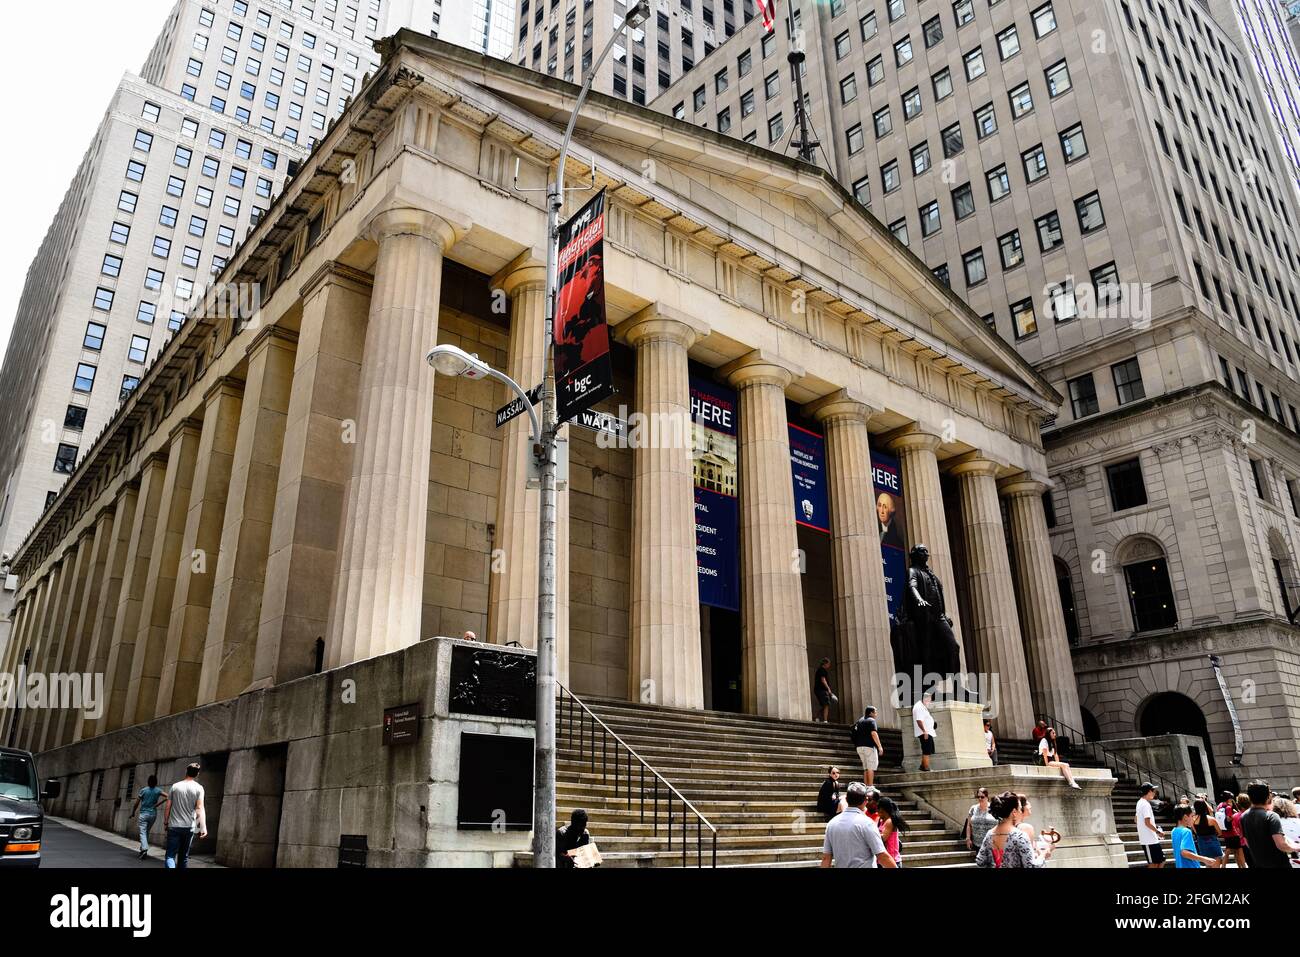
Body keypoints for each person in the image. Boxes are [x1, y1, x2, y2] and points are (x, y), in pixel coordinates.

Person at [820, 781, 896, 868]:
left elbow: (826, 858)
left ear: (846, 799)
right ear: (865, 801)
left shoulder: (832, 824)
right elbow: (882, 856)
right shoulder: (867, 823)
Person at [976, 790, 1051, 868]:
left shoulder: (989, 834)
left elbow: (980, 862)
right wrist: (1043, 855)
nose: (1020, 811)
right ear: (1014, 812)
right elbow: (1031, 866)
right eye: (1019, 808)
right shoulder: (1019, 836)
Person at [1238, 782, 1300, 869]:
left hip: (1258, 863)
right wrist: (1296, 848)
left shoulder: (1243, 816)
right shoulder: (1271, 815)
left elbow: (1247, 843)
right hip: (1278, 864)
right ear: (1268, 797)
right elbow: (1281, 845)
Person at [160, 763, 207, 870]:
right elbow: (199, 808)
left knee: (170, 855)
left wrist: (166, 822)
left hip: (174, 826)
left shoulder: (175, 786)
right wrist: (202, 827)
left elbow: (168, 806)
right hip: (189, 827)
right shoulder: (199, 788)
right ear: (197, 774)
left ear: (186, 771)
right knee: (183, 856)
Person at [130, 774, 166, 860]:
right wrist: (157, 805)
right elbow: (168, 796)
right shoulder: (158, 790)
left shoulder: (143, 790)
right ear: (156, 782)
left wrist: (133, 812)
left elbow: (137, 803)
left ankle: (145, 849)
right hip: (153, 814)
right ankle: (142, 850)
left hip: (143, 814)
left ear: (148, 781)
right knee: (146, 832)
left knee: (142, 832)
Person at [851, 706, 884, 785]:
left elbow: (853, 734)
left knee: (865, 768)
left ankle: (866, 787)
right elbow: (873, 733)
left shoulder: (859, 721)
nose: (876, 714)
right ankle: (870, 787)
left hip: (859, 747)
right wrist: (879, 746)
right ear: (871, 713)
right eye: (875, 712)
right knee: (871, 768)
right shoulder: (872, 721)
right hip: (869, 747)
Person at [1136, 783, 1165, 868]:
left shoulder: (1140, 802)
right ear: (1149, 791)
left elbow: (1136, 819)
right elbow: (1147, 822)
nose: (1154, 793)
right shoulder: (1144, 804)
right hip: (1148, 840)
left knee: (1161, 861)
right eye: (1153, 791)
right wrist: (1158, 831)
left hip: (1151, 839)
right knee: (1153, 864)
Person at [964, 787, 997, 857]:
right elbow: (968, 825)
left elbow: (1000, 823)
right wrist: (968, 838)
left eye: (982, 797)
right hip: (977, 844)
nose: (980, 799)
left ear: (987, 797)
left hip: (991, 843)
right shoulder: (973, 808)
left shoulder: (993, 808)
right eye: (978, 797)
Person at [877, 795, 909, 867]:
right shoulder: (882, 821)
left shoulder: (890, 821)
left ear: (882, 809)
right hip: (884, 860)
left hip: (892, 861)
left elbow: (883, 838)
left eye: (878, 808)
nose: (877, 811)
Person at [1192, 798, 1223, 863]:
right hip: (1213, 842)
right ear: (1205, 807)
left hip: (1202, 844)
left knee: (1208, 864)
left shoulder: (1193, 820)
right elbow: (1220, 833)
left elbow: (1196, 832)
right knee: (1216, 864)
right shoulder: (1212, 819)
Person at [913, 691, 936, 772]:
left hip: (927, 732)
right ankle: (926, 767)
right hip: (925, 733)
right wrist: (924, 731)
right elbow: (919, 720)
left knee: (927, 749)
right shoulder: (919, 707)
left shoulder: (922, 706)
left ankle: (923, 766)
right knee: (927, 750)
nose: (930, 701)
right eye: (929, 699)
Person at [813, 658, 837, 723]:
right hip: (821, 690)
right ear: (825, 664)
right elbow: (823, 680)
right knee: (826, 704)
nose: (829, 665)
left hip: (819, 690)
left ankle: (817, 717)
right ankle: (825, 720)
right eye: (829, 664)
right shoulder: (822, 670)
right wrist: (828, 689)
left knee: (825, 704)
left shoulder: (820, 670)